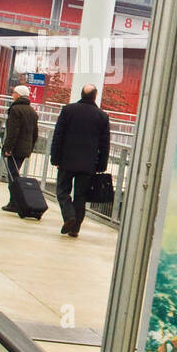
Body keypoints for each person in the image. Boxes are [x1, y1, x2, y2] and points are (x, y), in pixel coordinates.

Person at [50, 84, 111, 237]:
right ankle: (75, 228)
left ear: (81, 94)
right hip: (88, 164)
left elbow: (58, 135)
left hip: (67, 160)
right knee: (81, 196)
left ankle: (69, 216)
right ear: (95, 96)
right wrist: (101, 164)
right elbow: (105, 143)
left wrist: (55, 157)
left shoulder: (68, 110)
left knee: (62, 191)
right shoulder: (102, 116)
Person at [1, 85, 38, 214]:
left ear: (18, 95)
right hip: (24, 148)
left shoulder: (15, 110)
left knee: (13, 176)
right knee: (15, 174)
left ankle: (15, 202)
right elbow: (35, 133)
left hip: (15, 148)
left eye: (14, 93)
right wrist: (30, 148)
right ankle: (15, 202)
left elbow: (13, 132)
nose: (13, 95)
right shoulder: (32, 112)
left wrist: (7, 148)